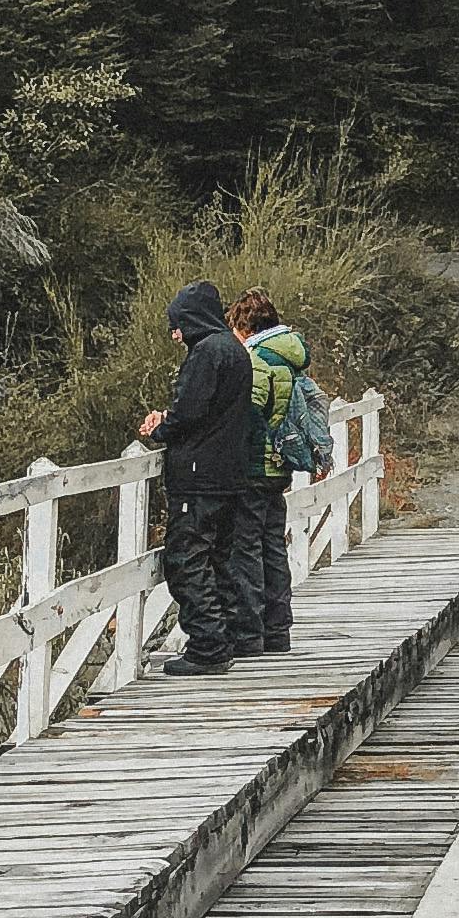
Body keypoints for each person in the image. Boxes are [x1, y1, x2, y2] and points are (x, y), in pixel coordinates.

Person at [138, 281, 255, 675]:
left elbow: (190, 412)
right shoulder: (235, 350)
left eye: (177, 325)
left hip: (199, 475)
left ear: (191, 320)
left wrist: (161, 427)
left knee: (186, 558)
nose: (175, 335)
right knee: (220, 558)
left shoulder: (206, 354)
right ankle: (228, 635)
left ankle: (208, 646)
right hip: (229, 473)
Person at [230, 290, 330, 656]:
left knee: (246, 549)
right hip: (279, 467)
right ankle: (278, 629)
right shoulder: (289, 356)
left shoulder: (258, 359)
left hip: (255, 465)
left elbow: (250, 413)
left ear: (244, 326)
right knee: (273, 546)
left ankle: (249, 633)